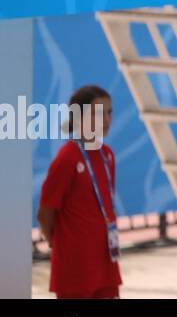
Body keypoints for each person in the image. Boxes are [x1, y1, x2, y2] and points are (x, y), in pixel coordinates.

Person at [37, 85, 122, 299]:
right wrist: (59, 244)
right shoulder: (67, 157)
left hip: (105, 260)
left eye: (109, 112)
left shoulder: (107, 155)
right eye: (98, 114)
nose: (106, 120)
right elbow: (45, 213)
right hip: (75, 266)